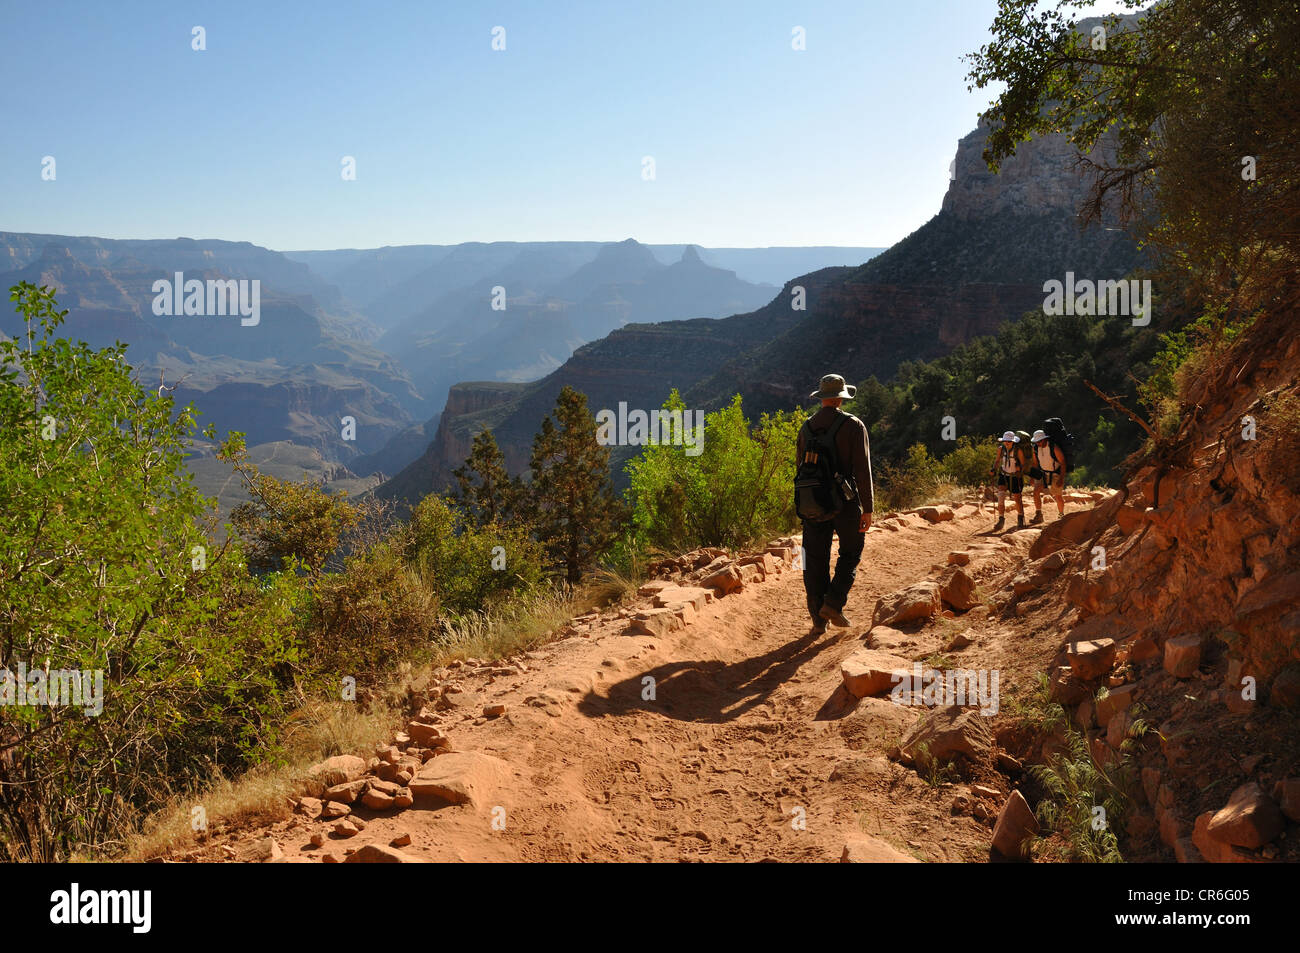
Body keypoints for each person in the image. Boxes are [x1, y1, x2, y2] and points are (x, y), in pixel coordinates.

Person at [797, 374, 874, 634]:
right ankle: (833, 602)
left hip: (813, 503)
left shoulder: (806, 427)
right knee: (851, 552)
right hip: (846, 502)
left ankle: (818, 617)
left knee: (814, 558)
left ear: (821, 397)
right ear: (841, 398)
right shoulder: (853, 425)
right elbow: (862, 470)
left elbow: (800, 470)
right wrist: (869, 508)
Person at [988, 431, 1026, 530]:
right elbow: (997, 461)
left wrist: (1019, 468)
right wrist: (993, 469)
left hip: (1015, 477)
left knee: (1017, 498)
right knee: (1000, 496)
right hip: (1004, 475)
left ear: (1013, 441)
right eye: (1005, 441)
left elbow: (1023, 464)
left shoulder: (1019, 451)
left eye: (1009, 441)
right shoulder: (1001, 449)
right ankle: (1001, 519)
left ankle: (1020, 517)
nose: (1007, 443)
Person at [1029, 429, 1067, 520]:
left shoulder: (1053, 447)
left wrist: (1061, 478)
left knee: (1057, 495)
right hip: (1043, 473)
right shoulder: (1035, 448)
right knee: (1036, 492)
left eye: (1040, 441)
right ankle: (1039, 515)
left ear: (1045, 439)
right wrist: (1032, 477)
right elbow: (1035, 464)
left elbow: (1063, 462)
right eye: (1036, 441)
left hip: (1055, 474)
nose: (1038, 443)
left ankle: (1061, 515)